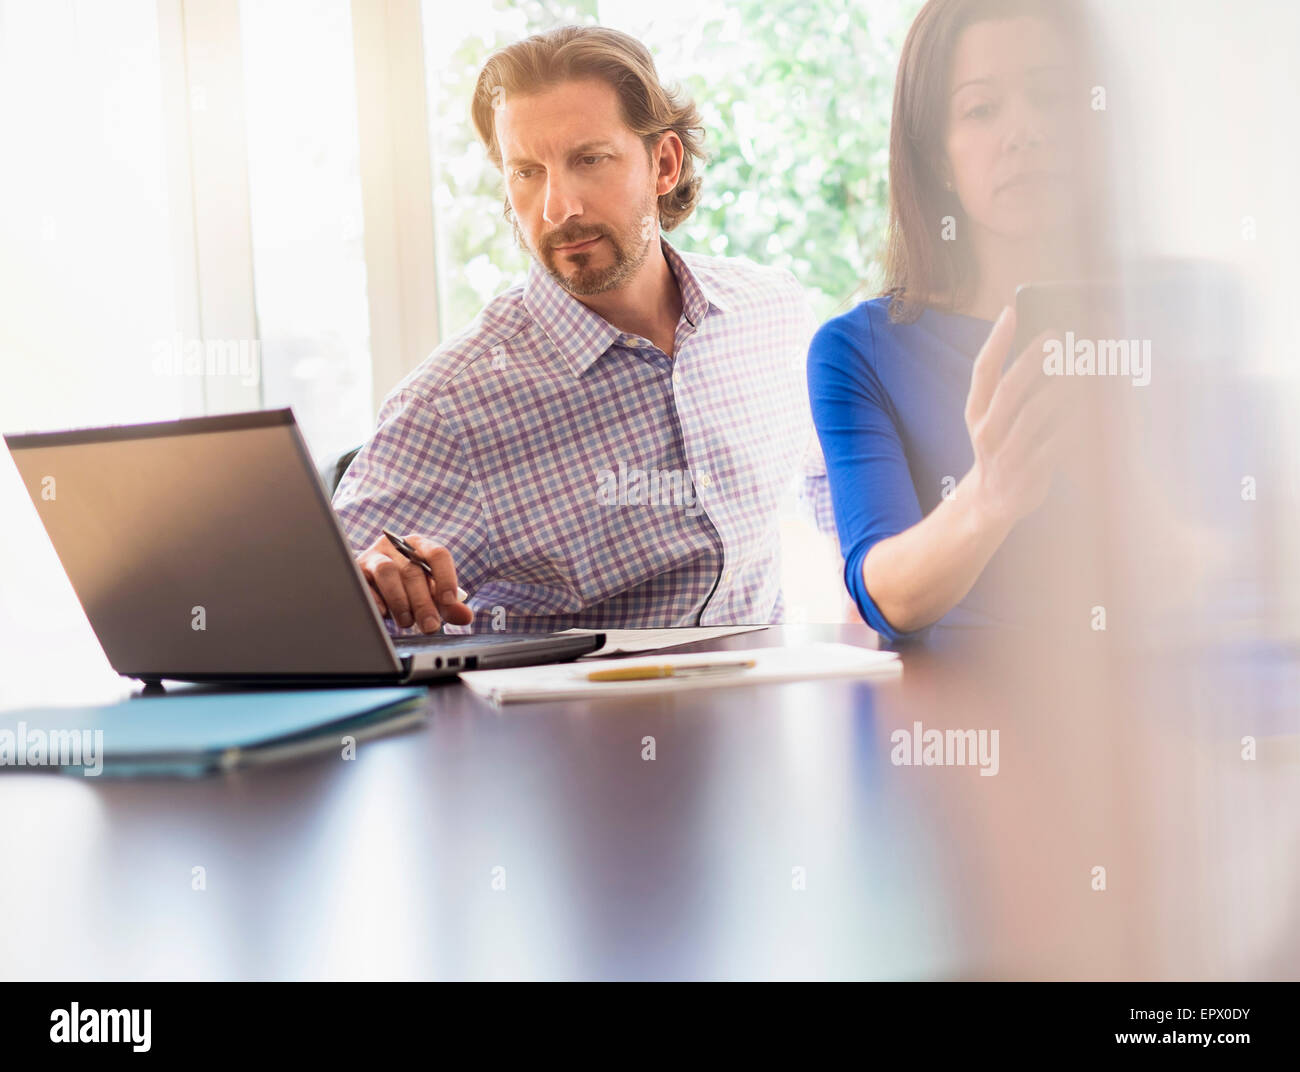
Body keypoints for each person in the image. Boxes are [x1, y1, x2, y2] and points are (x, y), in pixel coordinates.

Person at [335, 25, 819, 635]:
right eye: (527, 172)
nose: (557, 207)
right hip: (574, 724)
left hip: (765, 708)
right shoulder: (450, 407)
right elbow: (321, 605)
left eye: (588, 160)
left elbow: (827, 474)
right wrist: (369, 579)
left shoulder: (772, 315)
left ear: (663, 163)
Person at [808, 0, 1108, 646]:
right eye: (981, 109)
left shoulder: (1160, 321)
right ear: (939, 158)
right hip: (953, 722)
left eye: (1050, 98)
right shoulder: (856, 351)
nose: (1023, 132)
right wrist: (991, 495)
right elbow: (883, 590)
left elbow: (1225, 562)